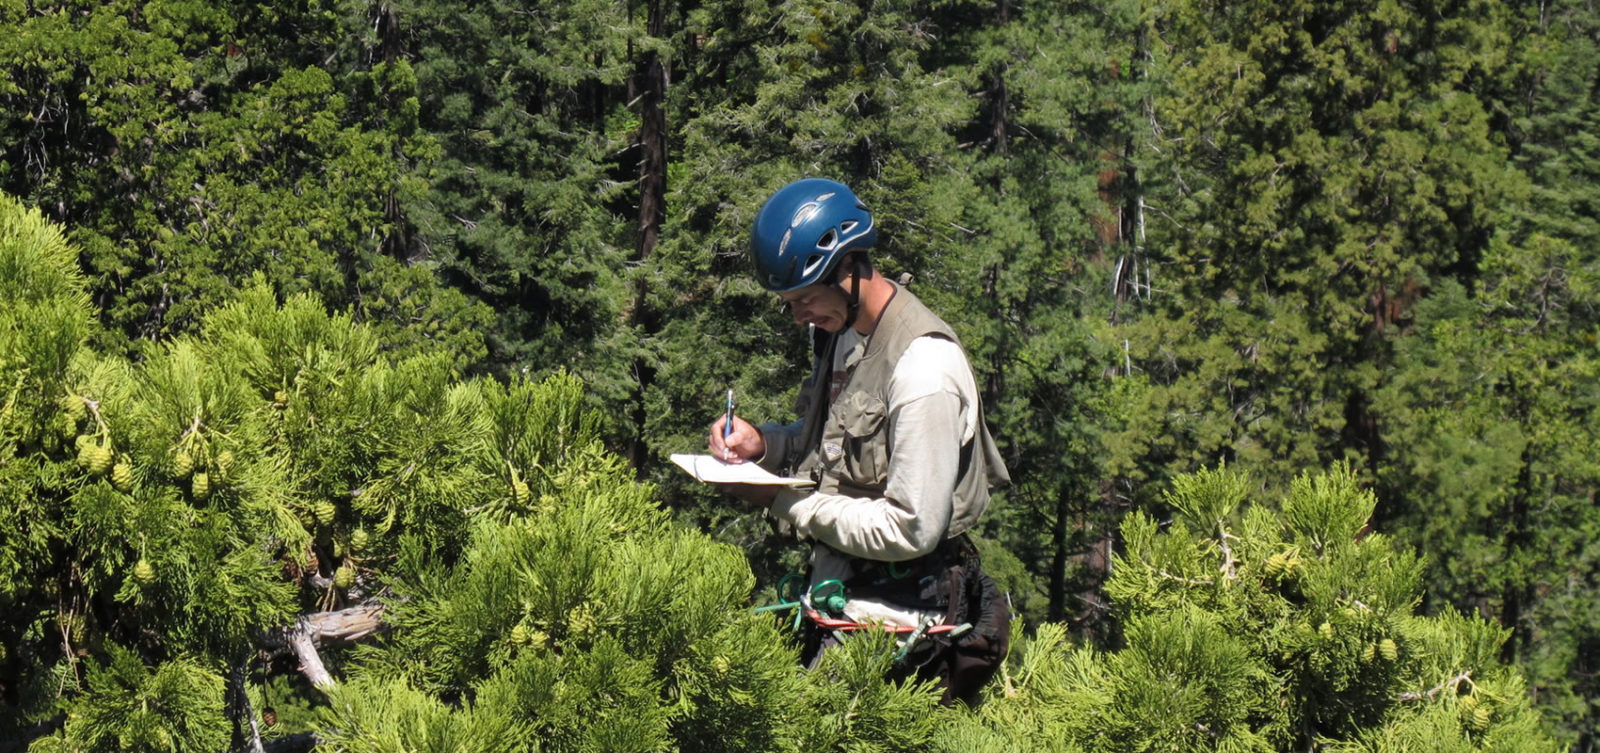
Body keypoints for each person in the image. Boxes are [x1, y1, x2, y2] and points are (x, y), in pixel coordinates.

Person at [708, 177, 1011, 705]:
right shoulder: (845, 333)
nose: (799, 316)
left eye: (805, 299)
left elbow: (912, 527)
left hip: (900, 629)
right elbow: (835, 449)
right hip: (843, 601)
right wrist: (764, 446)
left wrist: (782, 500)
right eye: (789, 304)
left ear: (849, 269)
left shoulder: (924, 370)